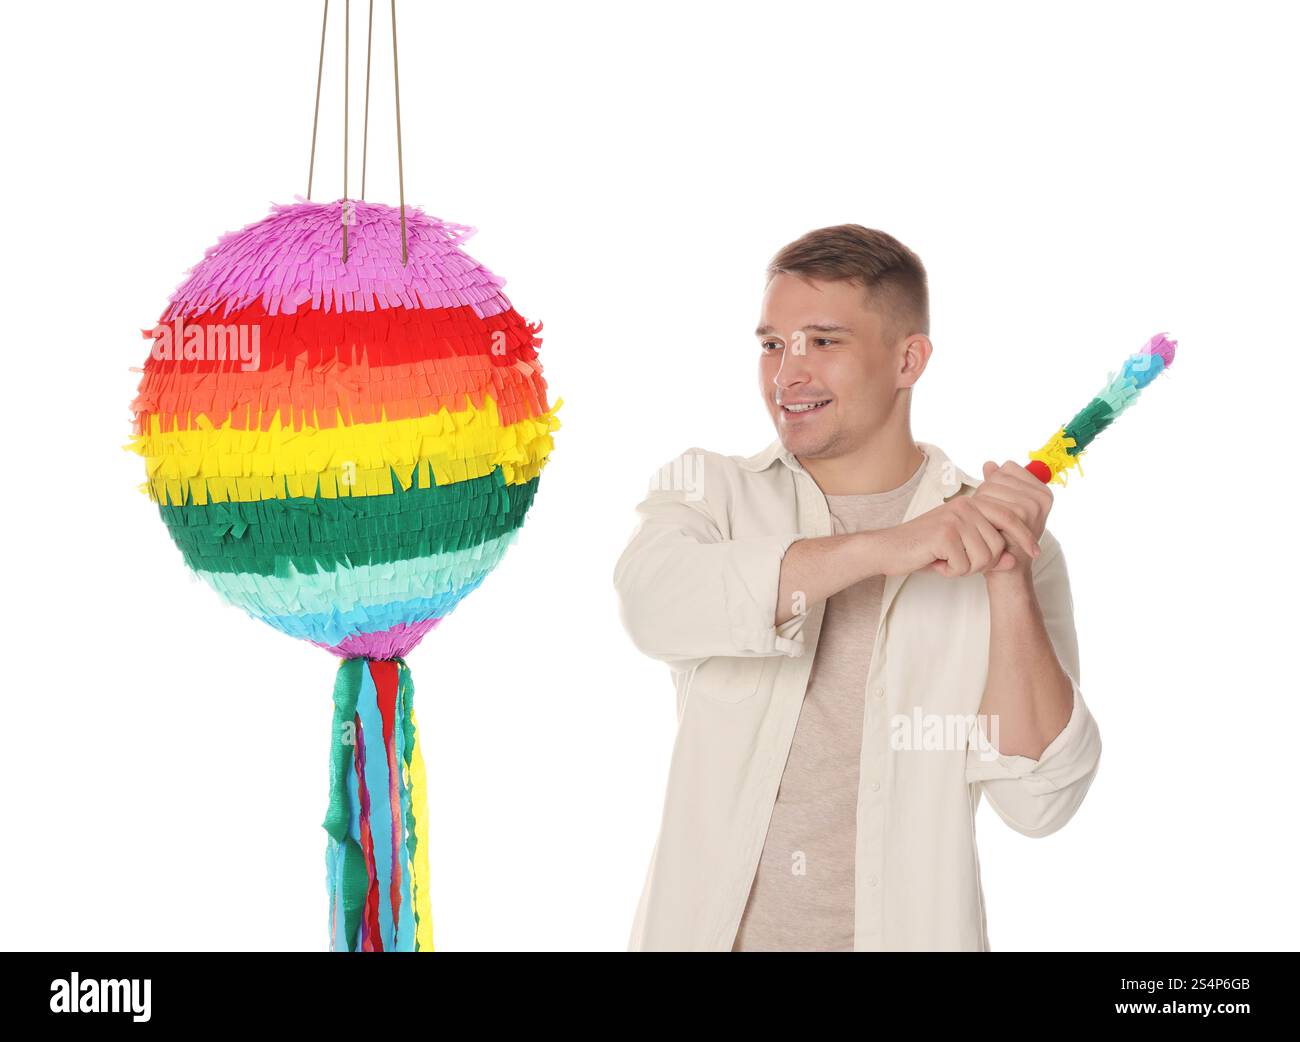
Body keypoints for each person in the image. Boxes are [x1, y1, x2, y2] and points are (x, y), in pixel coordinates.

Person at [612, 225, 1102, 952]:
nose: (787, 375)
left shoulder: (1006, 547)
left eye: (823, 341)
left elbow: (1039, 801)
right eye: (772, 343)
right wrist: (890, 546)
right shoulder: (712, 493)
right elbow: (653, 605)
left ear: (908, 359)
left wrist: (1008, 579)